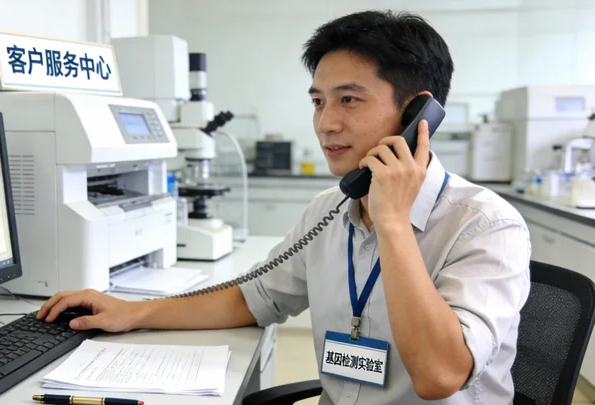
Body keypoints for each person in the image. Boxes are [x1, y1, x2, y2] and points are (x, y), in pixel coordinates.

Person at [36, 10, 531, 405]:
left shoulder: (485, 225)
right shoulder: (328, 211)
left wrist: (394, 223)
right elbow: (252, 299)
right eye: (318, 101)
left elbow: (440, 375)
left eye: (349, 100)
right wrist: (134, 312)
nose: (326, 123)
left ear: (416, 115)